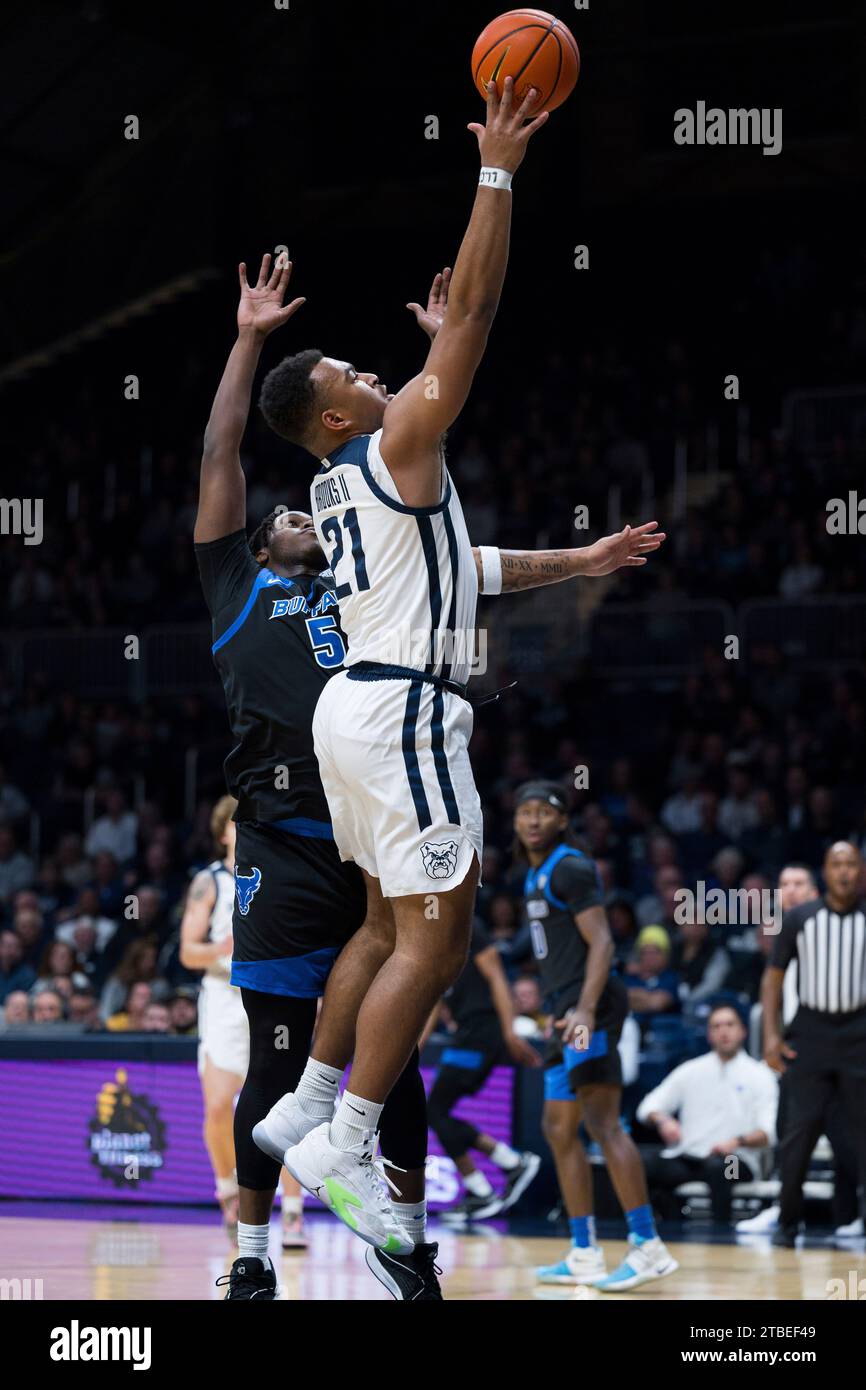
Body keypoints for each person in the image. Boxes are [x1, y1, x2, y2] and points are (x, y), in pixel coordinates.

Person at [200, 247, 661, 1296]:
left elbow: (470, 568)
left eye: (380, 372)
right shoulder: (364, 467)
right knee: (438, 942)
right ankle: (337, 1143)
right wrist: (498, 167)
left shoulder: (355, 492)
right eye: (357, 379)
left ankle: (319, 1106)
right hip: (382, 729)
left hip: (355, 723)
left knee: (381, 929)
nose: (378, 379)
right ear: (331, 419)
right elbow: (478, 315)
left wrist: (582, 562)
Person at [513, 781, 678, 1291]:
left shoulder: (570, 867)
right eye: (526, 813)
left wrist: (584, 1009)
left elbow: (603, 942)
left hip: (594, 1011)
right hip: (566, 1014)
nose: (534, 820)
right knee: (558, 1129)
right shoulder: (536, 874)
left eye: (545, 812)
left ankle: (648, 1246)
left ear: (563, 821)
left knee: (605, 1126)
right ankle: (584, 1251)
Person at [179, 794, 307, 1247]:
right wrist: (222, 950)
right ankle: (229, 1195)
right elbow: (188, 952)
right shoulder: (209, 881)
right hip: (223, 999)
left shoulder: (279, 873)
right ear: (223, 834)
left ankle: (293, 1214)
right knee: (217, 1106)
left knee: (287, 1108)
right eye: (238, 823)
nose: (246, 829)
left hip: (273, 995)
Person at [761, 841, 866, 1246]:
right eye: (836, 864)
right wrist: (771, 1035)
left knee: (861, 1135)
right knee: (798, 1132)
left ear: (860, 871)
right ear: (825, 870)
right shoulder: (801, 919)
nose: (844, 872)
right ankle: (788, 1222)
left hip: (859, 1033)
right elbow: (772, 979)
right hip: (811, 1031)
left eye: (851, 864)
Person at [425, 915, 541, 1222]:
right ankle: (506, 1165)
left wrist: (510, 1032)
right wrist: (417, 1046)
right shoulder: (428, 939)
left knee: (435, 1109)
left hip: (483, 1032)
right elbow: (436, 1000)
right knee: (436, 1111)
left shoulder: (467, 926)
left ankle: (486, 1186)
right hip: (466, 1033)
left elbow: (498, 978)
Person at [637, 1005, 778, 1224]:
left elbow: (769, 1133)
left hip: (736, 1161)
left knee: (720, 1169)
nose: (724, 1032)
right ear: (709, 1035)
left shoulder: (760, 1075)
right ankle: (663, 1229)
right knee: (643, 1163)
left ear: (743, 1032)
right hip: (690, 1157)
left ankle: (721, 1234)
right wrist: (663, 1120)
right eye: (716, 1026)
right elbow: (647, 1106)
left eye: (730, 1025)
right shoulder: (691, 1070)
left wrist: (735, 1142)